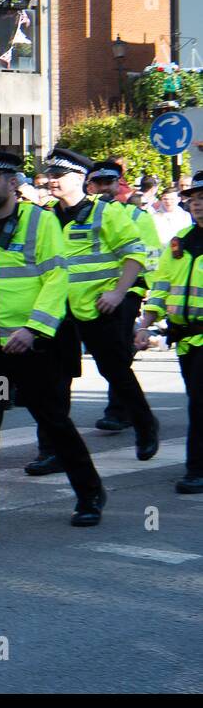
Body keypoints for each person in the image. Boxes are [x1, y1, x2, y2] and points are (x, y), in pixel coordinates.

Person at [0, 152, 106, 543]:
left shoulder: (40, 221)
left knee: (52, 421)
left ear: (13, 183)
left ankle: (89, 493)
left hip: (31, 345)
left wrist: (33, 329)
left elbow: (56, 279)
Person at [39, 148, 157, 463]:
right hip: (58, 312)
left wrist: (119, 293)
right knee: (55, 381)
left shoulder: (106, 212)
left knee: (115, 371)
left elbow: (135, 254)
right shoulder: (45, 214)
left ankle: (145, 425)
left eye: (59, 175)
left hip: (99, 308)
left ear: (81, 179)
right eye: (50, 175)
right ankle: (51, 450)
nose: (52, 181)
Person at [136, 170, 203, 494]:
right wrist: (145, 322)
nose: (200, 204)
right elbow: (161, 286)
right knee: (197, 399)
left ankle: (196, 470)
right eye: (196, 199)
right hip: (187, 340)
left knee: (200, 404)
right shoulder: (181, 242)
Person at [87, 159, 161, 434]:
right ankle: (131, 409)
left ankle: (119, 411)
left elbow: (151, 256)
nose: (105, 188)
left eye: (110, 182)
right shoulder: (80, 215)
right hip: (89, 295)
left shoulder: (137, 217)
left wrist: (147, 296)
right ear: (90, 185)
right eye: (99, 183)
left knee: (116, 355)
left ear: (119, 184)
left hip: (127, 292)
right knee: (112, 356)